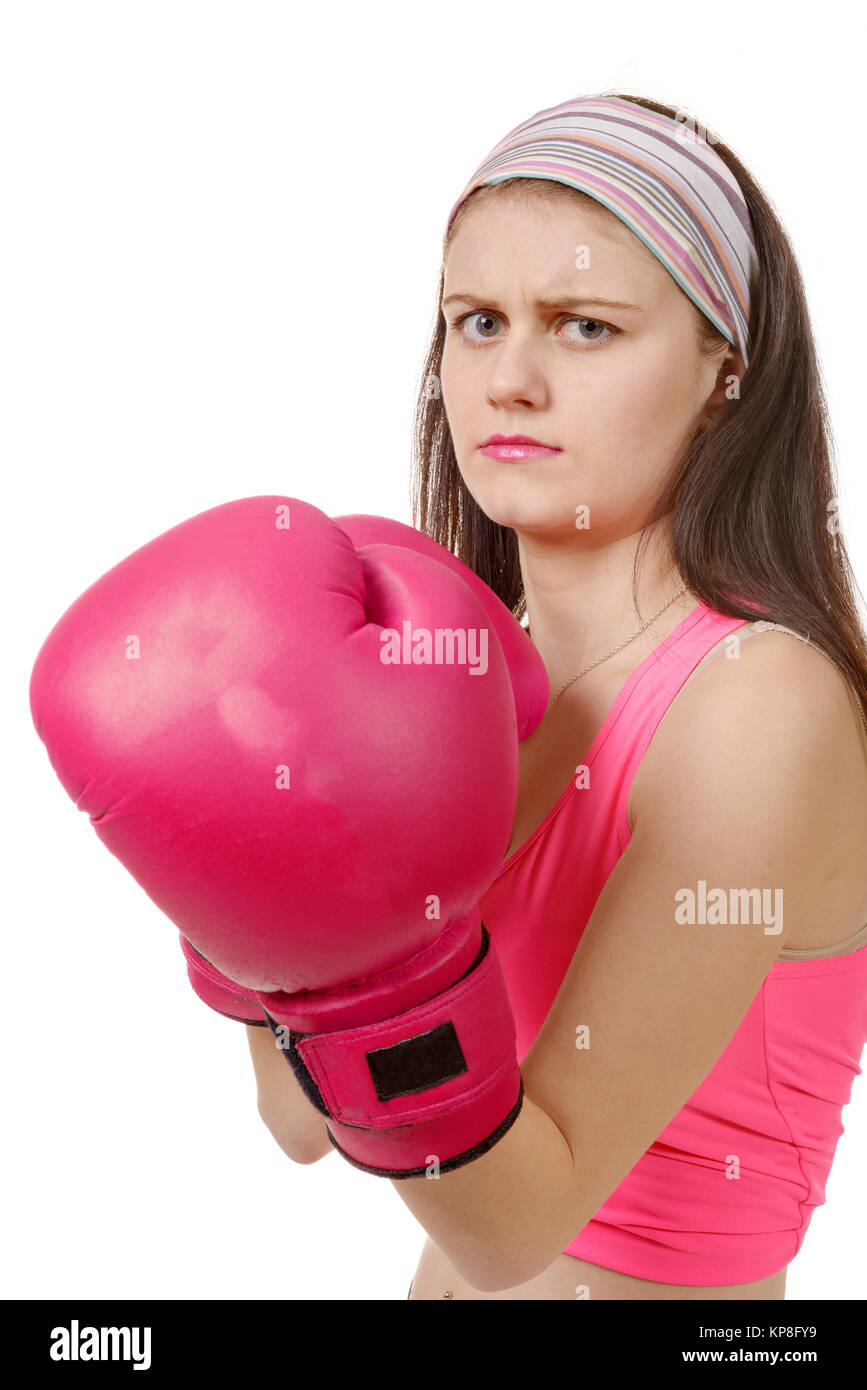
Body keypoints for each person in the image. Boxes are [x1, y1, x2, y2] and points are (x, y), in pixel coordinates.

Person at [249, 92, 867, 1300]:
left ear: (722, 371)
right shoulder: (468, 688)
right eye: (476, 322)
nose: (511, 378)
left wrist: (344, 944)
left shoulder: (759, 701)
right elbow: (303, 1124)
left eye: (584, 327)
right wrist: (250, 889)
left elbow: (515, 1219)